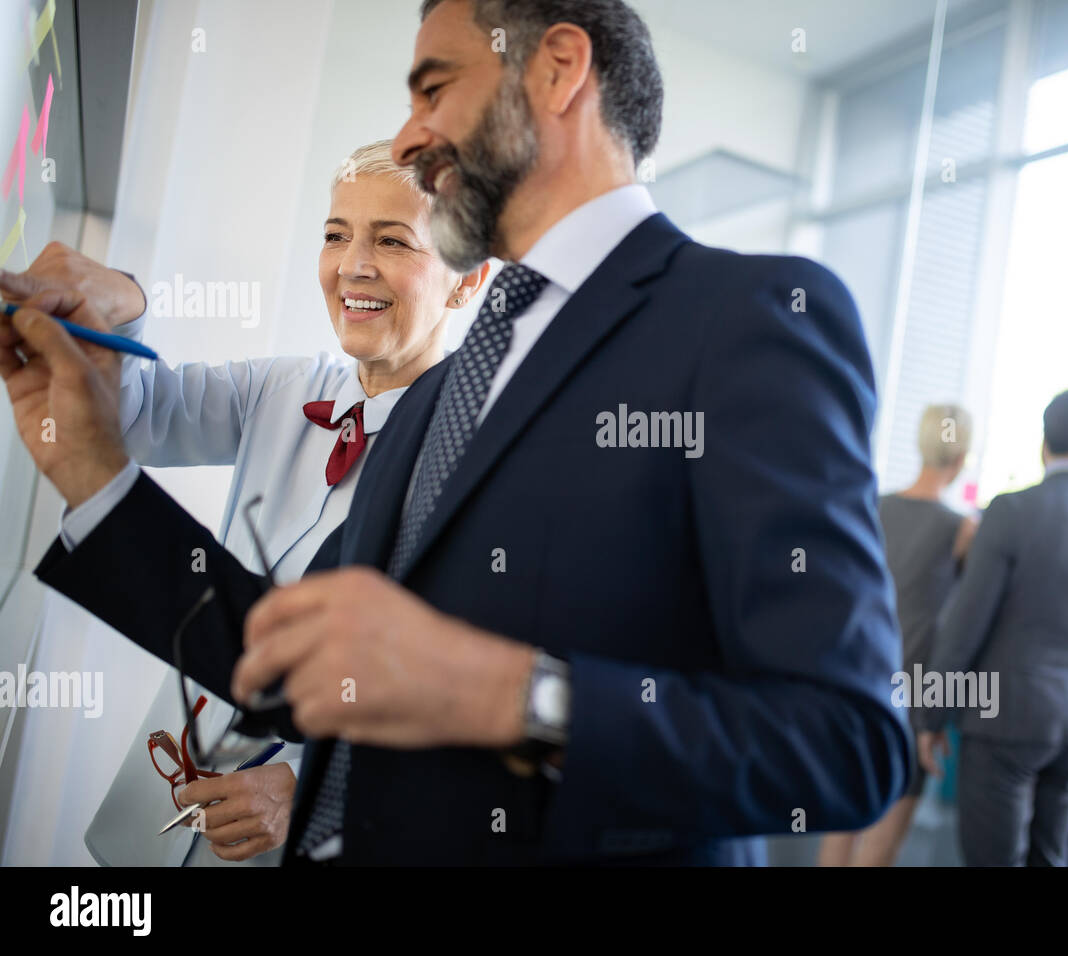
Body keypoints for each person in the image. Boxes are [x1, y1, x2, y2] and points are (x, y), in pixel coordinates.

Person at [1, 0, 911, 865]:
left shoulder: (747, 318)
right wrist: (93, 475)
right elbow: (289, 660)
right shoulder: (448, 392)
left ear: (557, 69)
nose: (408, 136)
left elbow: (847, 744)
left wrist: (508, 695)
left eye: (434, 89)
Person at [0, 139, 488, 865]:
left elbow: (462, 700)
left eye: (392, 240)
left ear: (464, 282)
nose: (352, 265)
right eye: (334, 235)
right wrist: (125, 303)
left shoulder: (478, 466)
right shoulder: (286, 386)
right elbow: (137, 412)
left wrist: (304, 785)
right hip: (170, 794)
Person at [916, 389, 1068, 866]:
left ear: (1043, 438)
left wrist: (932, 715)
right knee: (1051, 857)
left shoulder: (1012, 511)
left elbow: (964, 623)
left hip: (1006, 718)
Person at [819, 403, 979, 866]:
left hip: (855, 680)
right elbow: (963, 621)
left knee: (840, 831)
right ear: (962, 455)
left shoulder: (872, 507)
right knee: (882, 845)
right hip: (911, 694)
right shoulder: (963, 530)